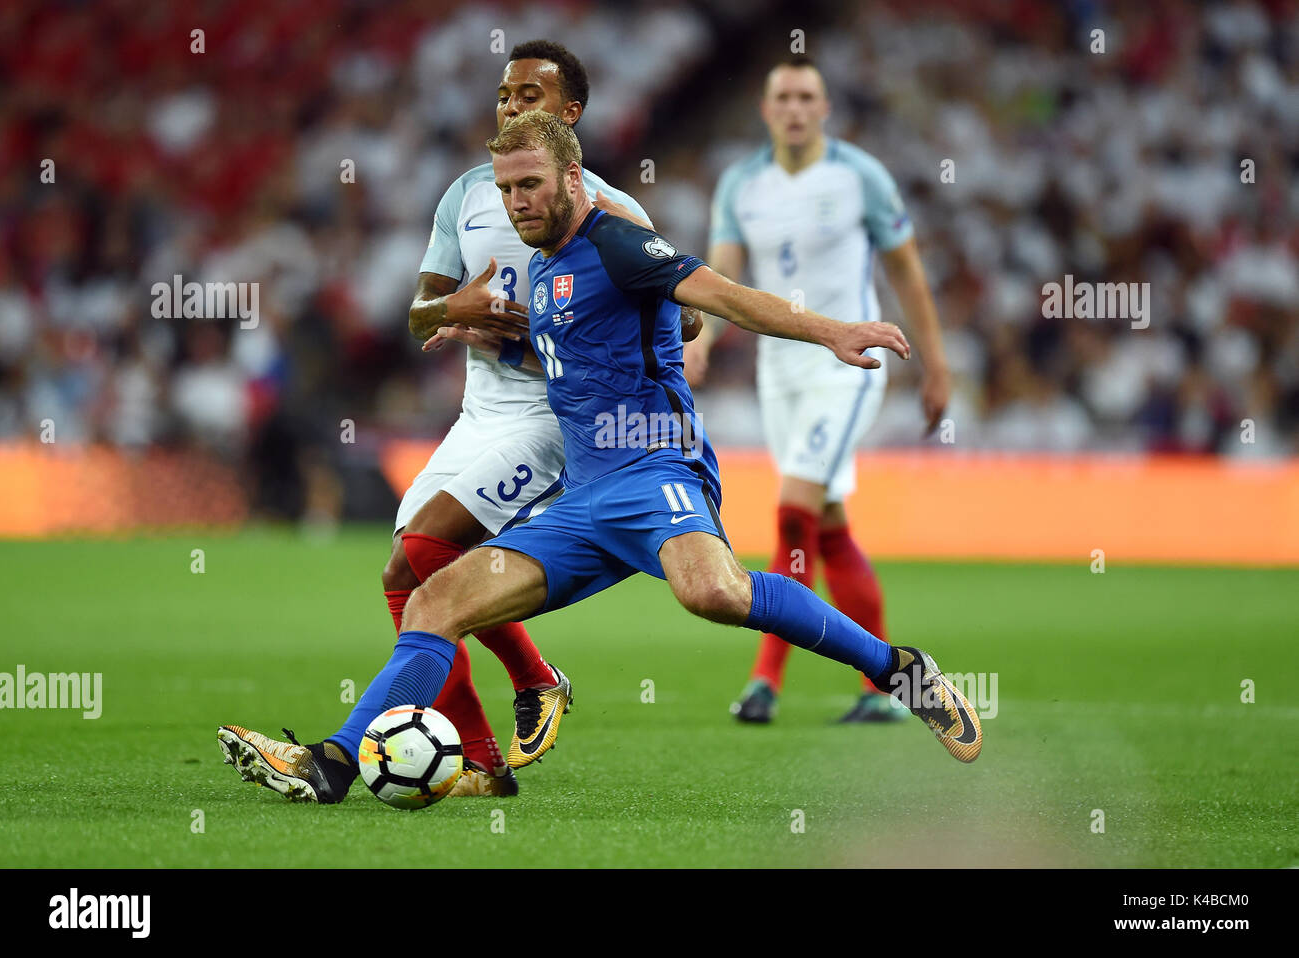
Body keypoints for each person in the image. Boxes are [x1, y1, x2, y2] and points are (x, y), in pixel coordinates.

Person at [221, 109, 979, 804]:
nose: (516, 201)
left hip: (656, 473)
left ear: (572, 179)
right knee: (433, 600)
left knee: (711, 593)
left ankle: (898, 670)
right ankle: (331, 763)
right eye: (506, 188)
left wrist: (830, 330)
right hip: (582, 501)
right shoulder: (545, 273)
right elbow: (577, 360)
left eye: (531, 185)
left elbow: (718, 293)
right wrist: (488, 334)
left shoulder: (616, 240)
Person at [217, 40, 694, 803]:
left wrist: (553, 327)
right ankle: (487, 761)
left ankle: (355, 750)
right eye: (506, 94)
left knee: (432, 541)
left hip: (554, 415)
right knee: (403, 573)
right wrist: (457, 310)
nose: (511, 106)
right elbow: (418, 313)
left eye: (531, 96)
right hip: (480, 410)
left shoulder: (612, 210)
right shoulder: (468, 195)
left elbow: (683, 323)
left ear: (570, 115)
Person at [685, 55, 952, 725]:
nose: (796, 107)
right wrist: (705, 340)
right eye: (785, 96)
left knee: (793, 512)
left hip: (848, 366)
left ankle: (763, 681)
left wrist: (937, 364)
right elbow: (725, 276)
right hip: (781, 373)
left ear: (825, 108)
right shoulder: (740, 185)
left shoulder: (860, 176)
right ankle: (888, 687)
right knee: (826, 527)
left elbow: (907, 271)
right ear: (766, 108)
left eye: (808, 96)